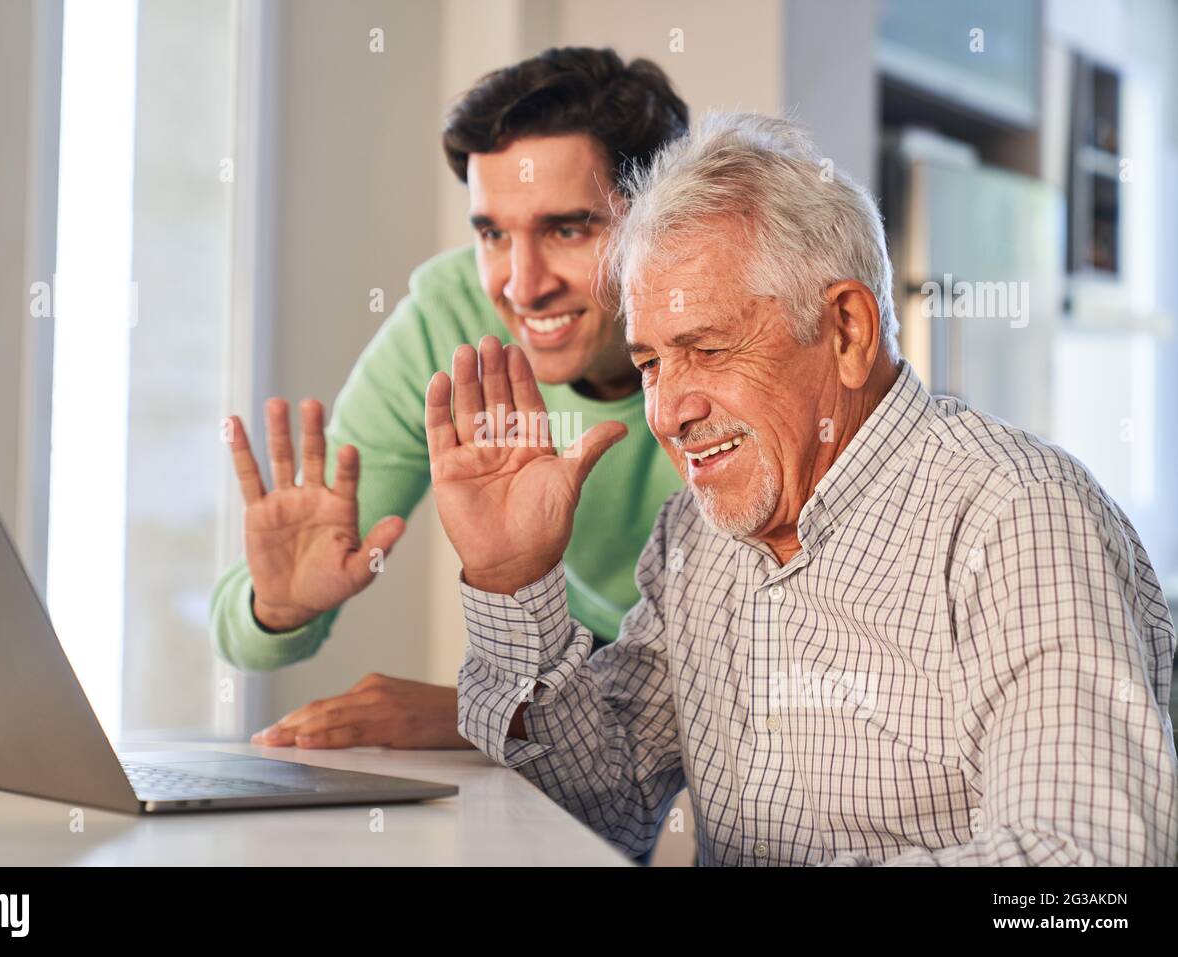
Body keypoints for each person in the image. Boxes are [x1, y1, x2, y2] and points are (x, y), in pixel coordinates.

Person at [434, 112, 1178, 864]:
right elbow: (602, 803)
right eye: (652, 362)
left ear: (848, 330)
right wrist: (513, 577)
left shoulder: (1016, 519)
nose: (668, 412)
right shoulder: (694, 535)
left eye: (708, 348)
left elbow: (1089, 876)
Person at [210, 48, 688, 749]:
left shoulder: (730, 335)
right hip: (574, 694)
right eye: (493, 233)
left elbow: (764, 667)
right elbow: (247, 640)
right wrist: (275, 605)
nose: (522, 287)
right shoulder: (448, 317)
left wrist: (486, 715)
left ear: (664, 222)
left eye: (567, 228)